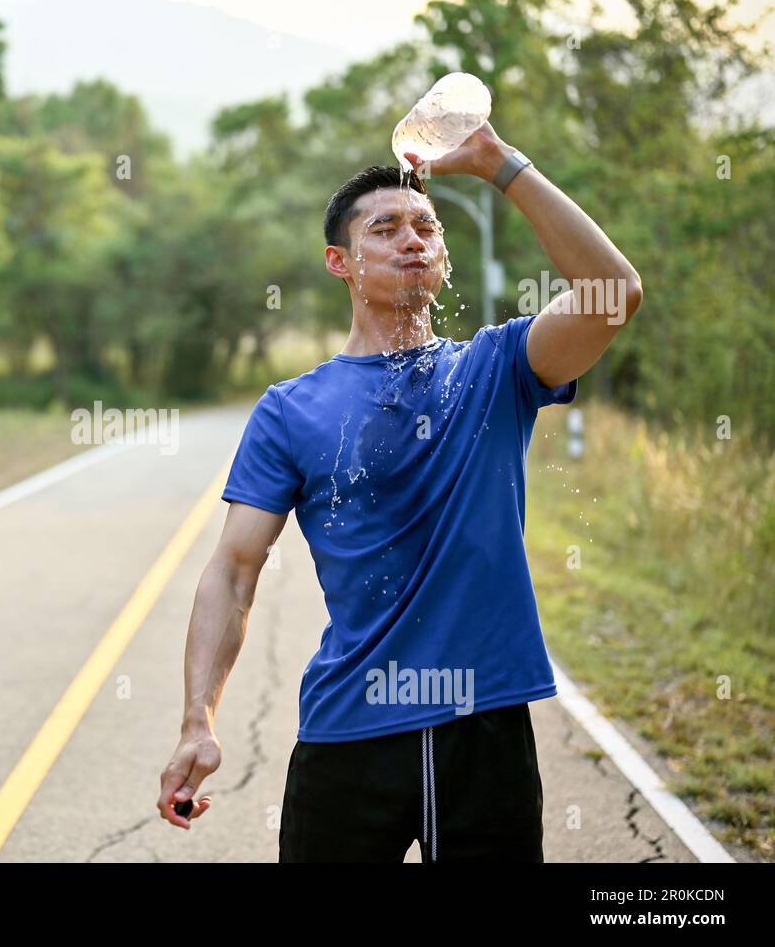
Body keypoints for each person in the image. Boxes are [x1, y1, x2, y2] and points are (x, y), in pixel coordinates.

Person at [155, 120, 643, 861]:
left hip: (485, 729)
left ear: (443, 255)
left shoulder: (499, 367)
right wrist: (199, 718)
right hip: (349, 729)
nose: (412, 239)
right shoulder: (290, 408)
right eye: (384, 229)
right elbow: (234, 569)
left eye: (426, 227)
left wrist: (498, 164)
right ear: (339, 262)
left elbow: (615, 294)